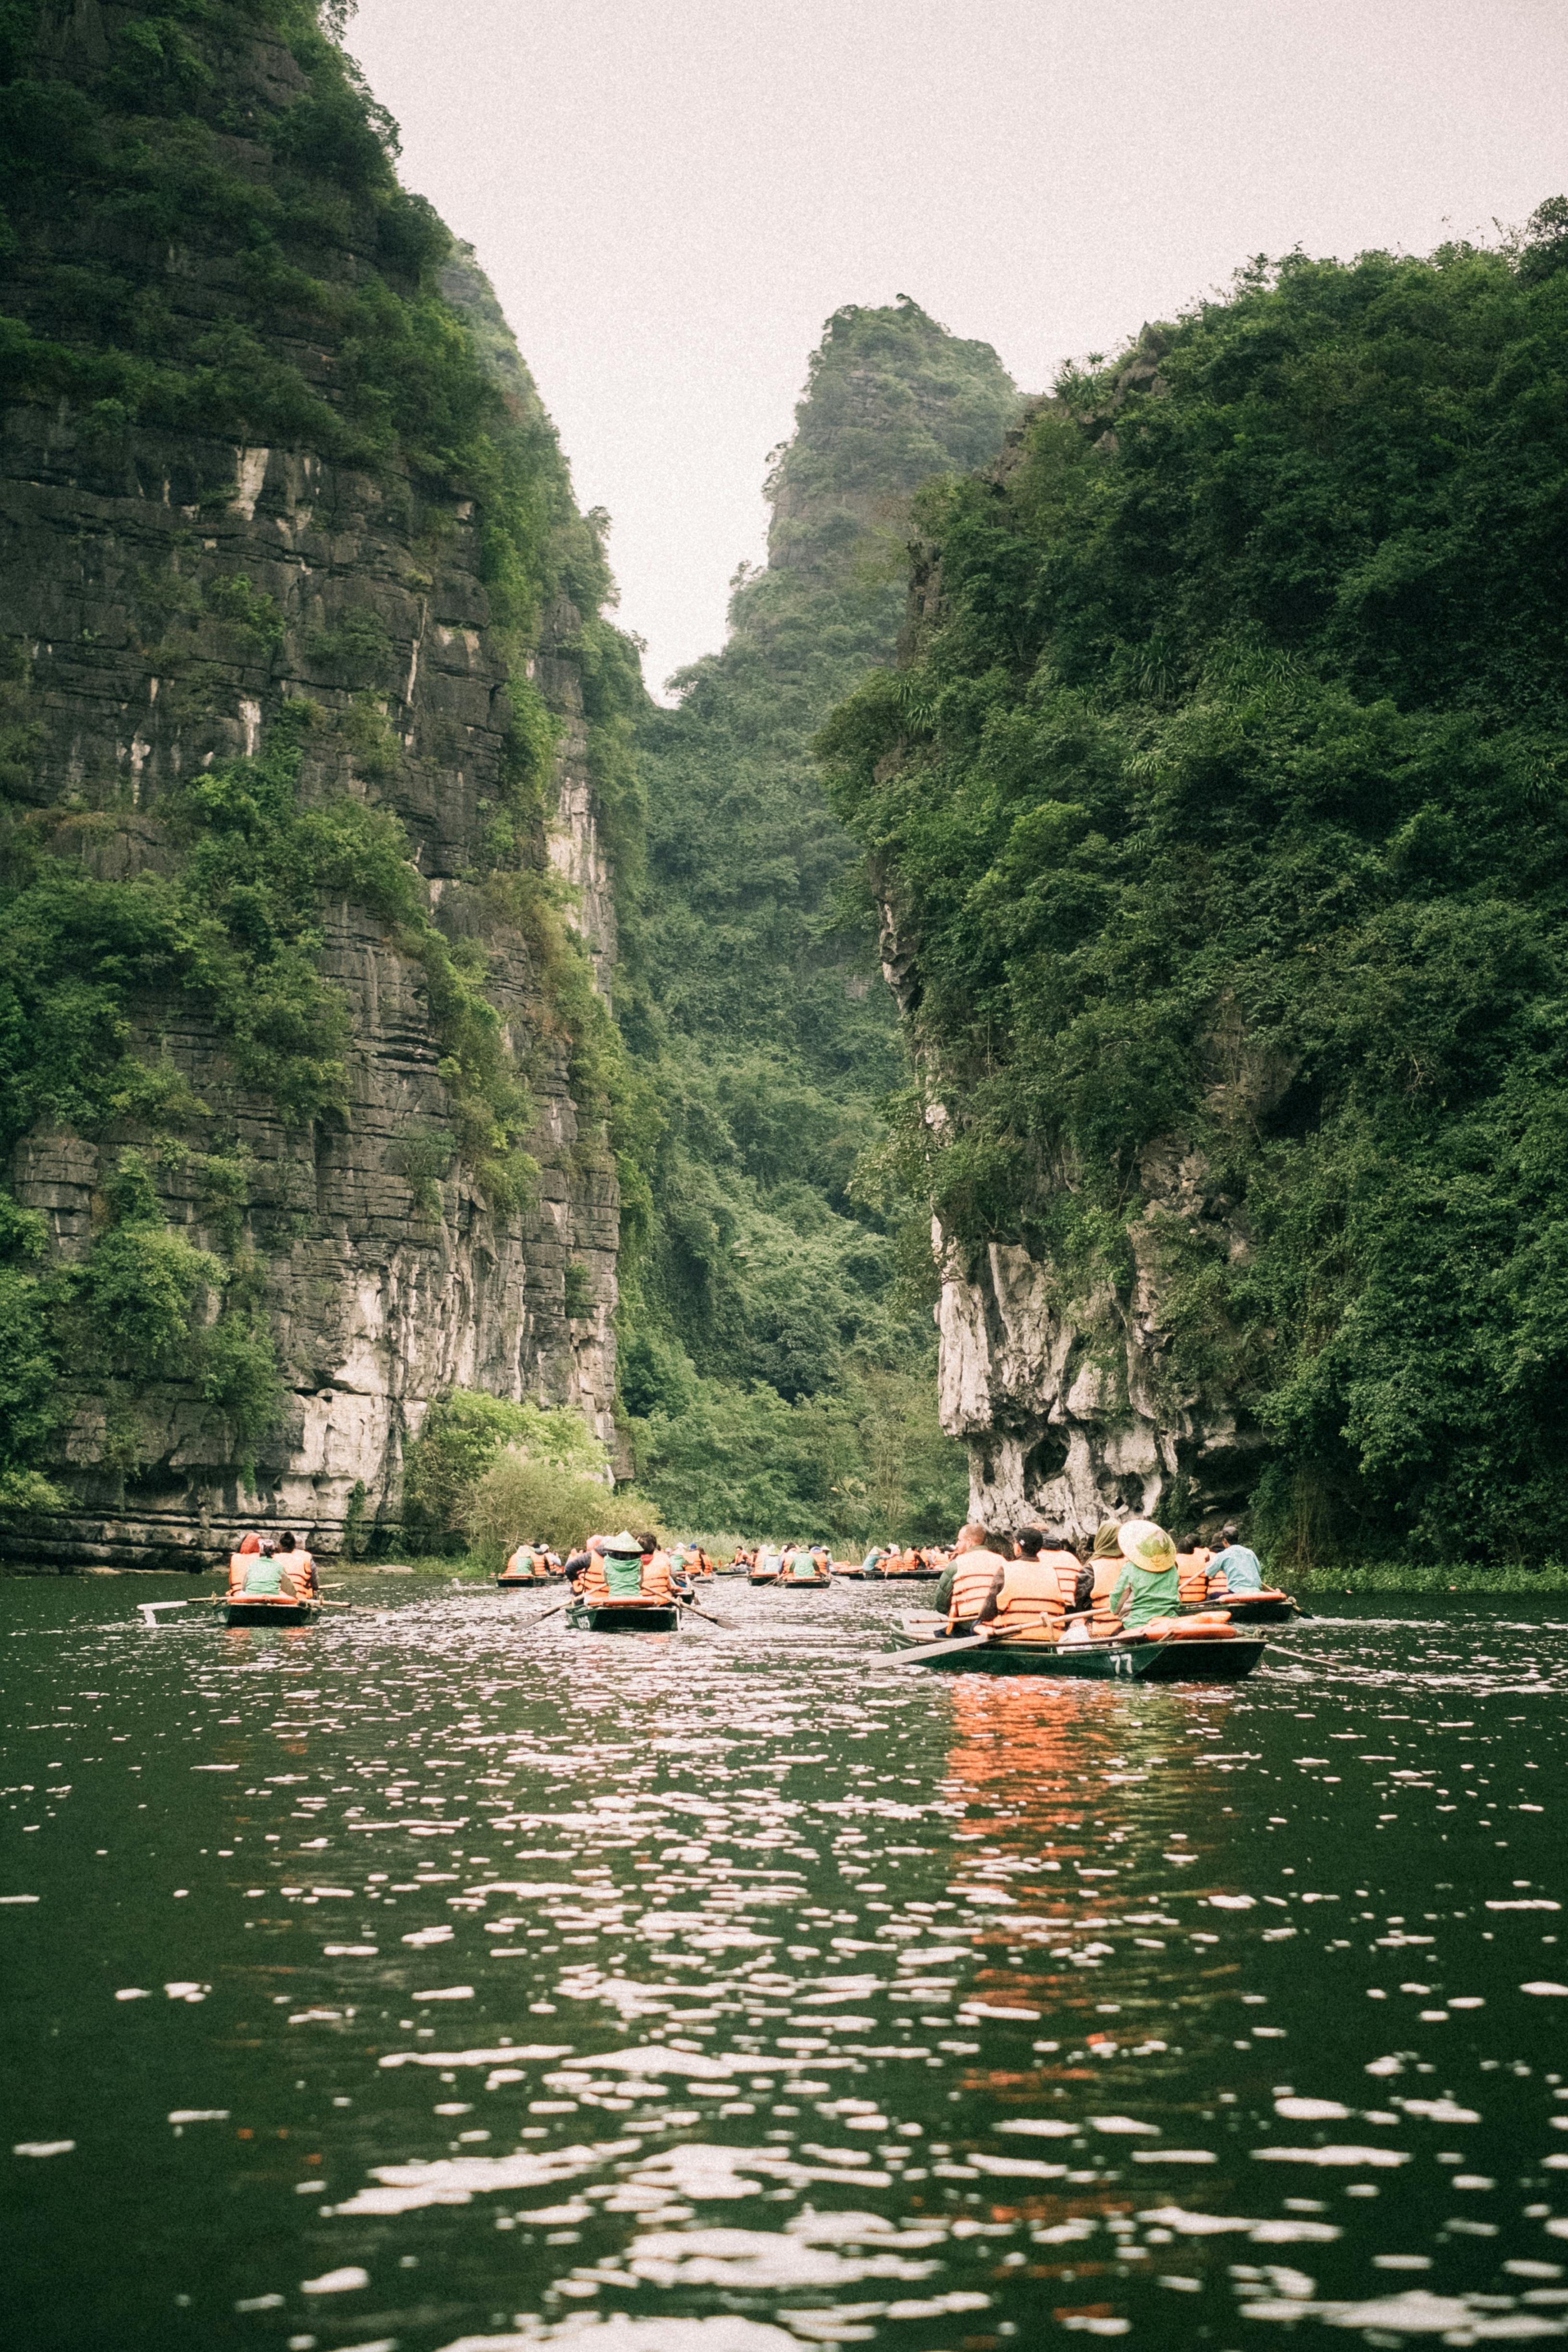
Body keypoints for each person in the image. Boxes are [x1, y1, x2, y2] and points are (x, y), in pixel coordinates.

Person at [1108, 1519, 1182, 1629]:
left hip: (1137, 1624)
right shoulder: (1172, 1569)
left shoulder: (1130, 1568)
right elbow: (1177, 1598)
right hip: (1169, 1621)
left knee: (1114, 1636)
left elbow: (1119, 1596)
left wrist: (1114, 1610)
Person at [943, 1523, 1014, 1633]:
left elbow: (940, 1603)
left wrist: (952, 1613)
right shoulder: (1003, 1561)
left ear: (969, 1542)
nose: (957, 1544)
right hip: (998, 1622)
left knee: (942, 1632)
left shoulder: (956, 1564)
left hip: (967, 1623)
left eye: (960, 1541)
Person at [1207, 1524, 1265, 1597]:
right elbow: (1259, 1571)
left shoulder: (1223, 1555)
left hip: (1237, 1593)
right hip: (1255, 1591)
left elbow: (1209, 1573)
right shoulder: (1250, 1552)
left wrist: (1211, 1564)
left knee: (1213, 1595)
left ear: (1225, 1541)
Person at [275, 1531, 318, 1597]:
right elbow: (315, 1583)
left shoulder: (275, 1557)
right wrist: (315, 1588)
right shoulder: (307, 1557)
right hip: (300, 1596)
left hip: (278, 1596)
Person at [1176, 1534, 1214, 1606]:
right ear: (1193, 1550)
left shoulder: (1176, 1561)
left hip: (1183, 1601)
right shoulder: (1203, 1561)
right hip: (1201, 1600)